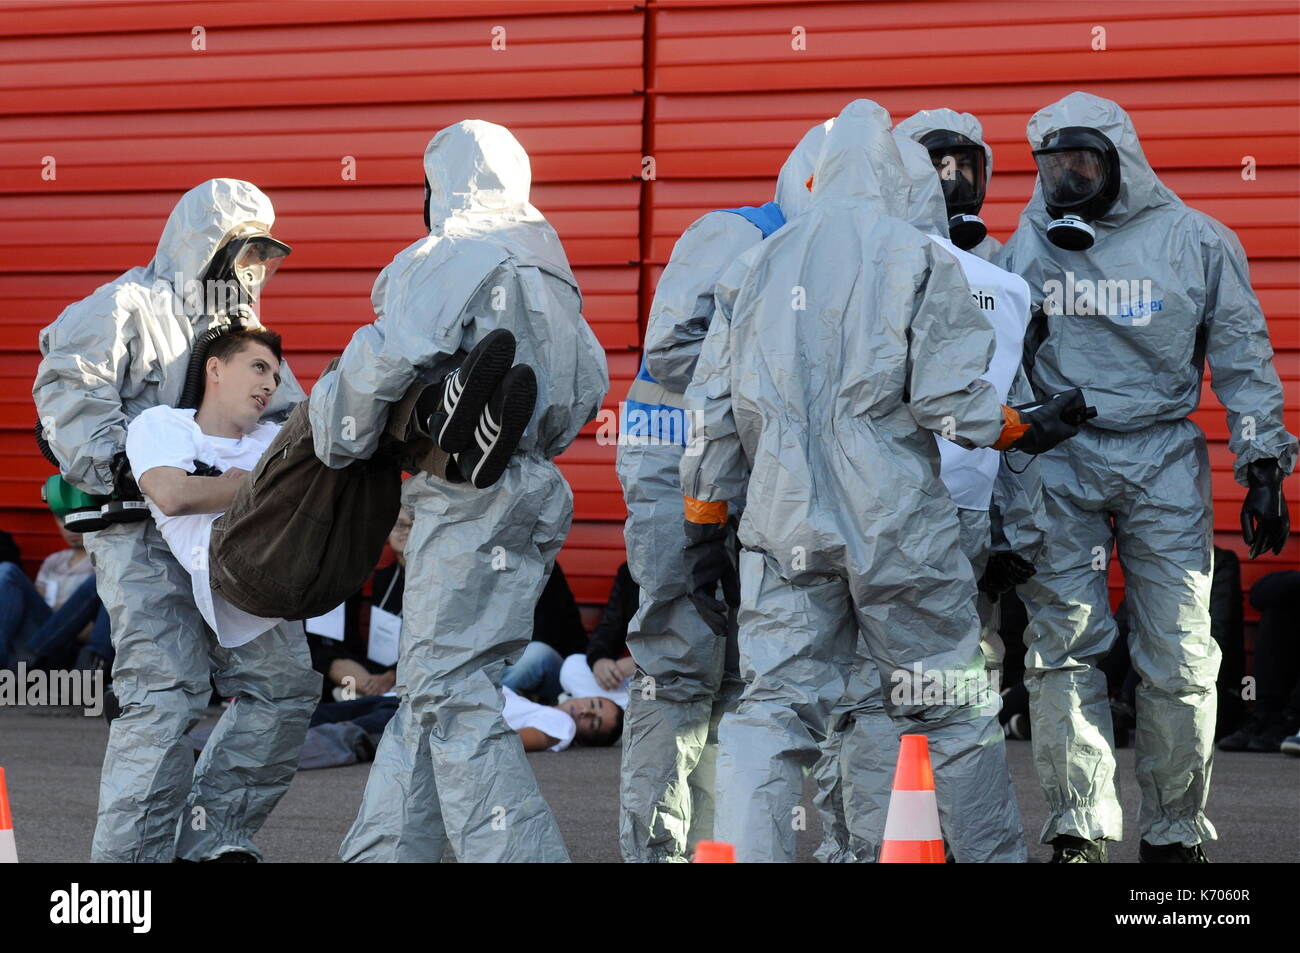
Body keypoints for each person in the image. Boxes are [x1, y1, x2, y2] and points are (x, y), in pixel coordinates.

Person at [682, 98, 1086, 864]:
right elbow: (948, 398)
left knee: (771, 714)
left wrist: (705, 522)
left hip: (785, 526)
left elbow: (711, 410)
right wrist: (1026, 426)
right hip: (897, 525)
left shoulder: (754, 265)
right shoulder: (916, 257)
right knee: (948, 707)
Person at [996, 92, 1297, 862]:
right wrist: (999, 485)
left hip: (1160, 451)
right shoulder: (1025, 247)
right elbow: (985, 369)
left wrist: (1263, 462)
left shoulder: (1195, 240)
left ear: (1119, 162)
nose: (1066, 179)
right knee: (1062, 645)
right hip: (1058, 452)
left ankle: (1174, 829)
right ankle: (1078, 823)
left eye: (1082, 164)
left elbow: (1241, 352)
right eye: (1054, 166)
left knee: (1181, 651)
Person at [314, 120, 608, 863]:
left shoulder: (446, 256)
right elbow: (585, 394)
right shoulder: (555, 280)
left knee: (452, 699)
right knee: (432, 689)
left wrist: (335, 430)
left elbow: (377, 363)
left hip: (463, 497)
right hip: (534, 492)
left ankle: (449, 410)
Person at [33, 178, 308, 863]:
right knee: (165, 693)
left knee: (285, 684)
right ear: (211, 246)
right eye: (247, 255)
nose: (255, 273)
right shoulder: (125, 307)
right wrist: (129, 466)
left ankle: (208, 835)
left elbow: (290, 421)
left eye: (264, 260)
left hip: (232, 534)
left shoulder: (248, 338)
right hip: (140, 530)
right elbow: (71, 387)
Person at [816, 132, 1046, 862]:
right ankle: (969, 847)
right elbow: (1010, 412)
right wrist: (1021, 529)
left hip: (858, 512)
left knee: (864, 694)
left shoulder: (824, 275)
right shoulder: (1002, 287)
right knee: (954, 696)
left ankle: (865, 845)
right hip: (964, 512)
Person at [615, 118, 830, 863]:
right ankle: (657, 851)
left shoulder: (827, 255)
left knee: (744, 670)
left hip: (753, 475)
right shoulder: (733, 234)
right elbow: (672, 350)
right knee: (678, 660)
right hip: (673, 464)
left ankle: (717, 848)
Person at [895, 108, 1002, 260]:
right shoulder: (889, 253)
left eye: (964, 164)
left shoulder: (994, 257)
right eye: (939, 164)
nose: (953, 176)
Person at [585, 562, 638, 692]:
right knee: (572, 665)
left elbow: (692, 645)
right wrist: (600, 661)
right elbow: (611, 626)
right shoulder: (630, 570)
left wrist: (642, 663)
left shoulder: (692, 569)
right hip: (630, 676)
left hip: (676, 676)